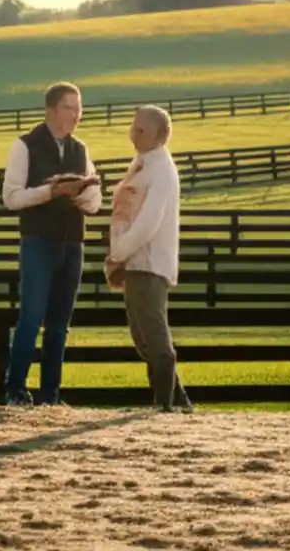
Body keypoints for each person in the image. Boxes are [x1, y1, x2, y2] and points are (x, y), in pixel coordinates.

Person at [1, 82, 102, 406]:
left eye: (79, 108)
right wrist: (51, 192)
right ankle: (16, 389)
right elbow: (11, 197)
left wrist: (82, 194)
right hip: (39, 241)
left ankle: (50, 396)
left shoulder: (81, 149)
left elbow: (96, 201)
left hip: (72, 244)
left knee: (59, 324)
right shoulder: (25, 146)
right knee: (31, 317)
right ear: (51, 110)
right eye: (70, 107)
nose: (77, 114)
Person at [106, 105, 191, 413]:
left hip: (149, 263)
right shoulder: (142, 165)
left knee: (153, 337)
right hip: (136, 262)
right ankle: (179, 401)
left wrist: (119, 251)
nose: (134, 134)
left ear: (159, 135)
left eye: (141, 129)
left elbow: (148, 222)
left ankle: (164, 402)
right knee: (142, 338)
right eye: (134, 127)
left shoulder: (161, 171)